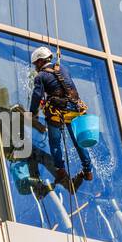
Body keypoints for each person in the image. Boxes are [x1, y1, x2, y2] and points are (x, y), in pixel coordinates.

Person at [27, 45, 93, 195]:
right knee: (78, 142)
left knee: (54, 142)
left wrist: (32, 113)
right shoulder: (62, 68)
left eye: (36, 64)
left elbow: (37, 95)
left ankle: (60, 170)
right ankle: (88, 171)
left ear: (40, 61)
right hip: (75, 109)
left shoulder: (41, 76)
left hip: (58, 112)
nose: (35, 68)